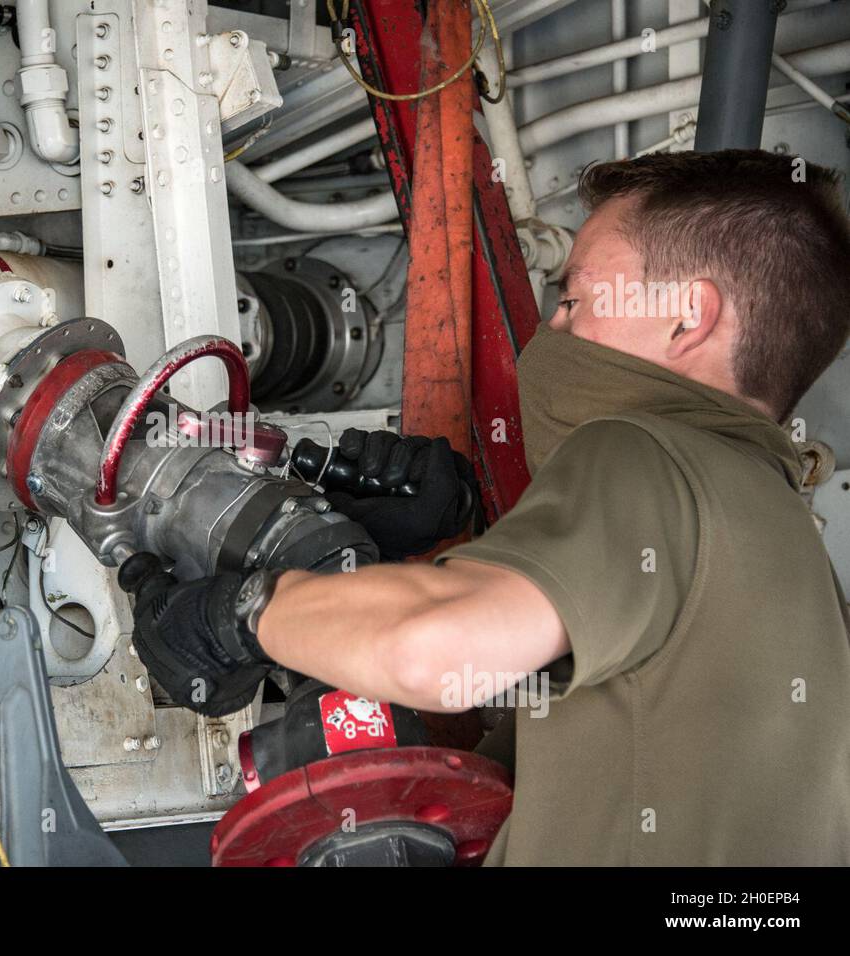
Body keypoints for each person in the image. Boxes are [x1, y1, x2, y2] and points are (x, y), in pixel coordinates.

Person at [116, 149, 850, 865]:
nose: (551, 334)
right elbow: (577, 728)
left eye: (573, 301)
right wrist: (424, 557)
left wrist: (241, 615)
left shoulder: (649, 453)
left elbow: (430, 650)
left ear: (688, 318)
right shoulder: (790, 549)